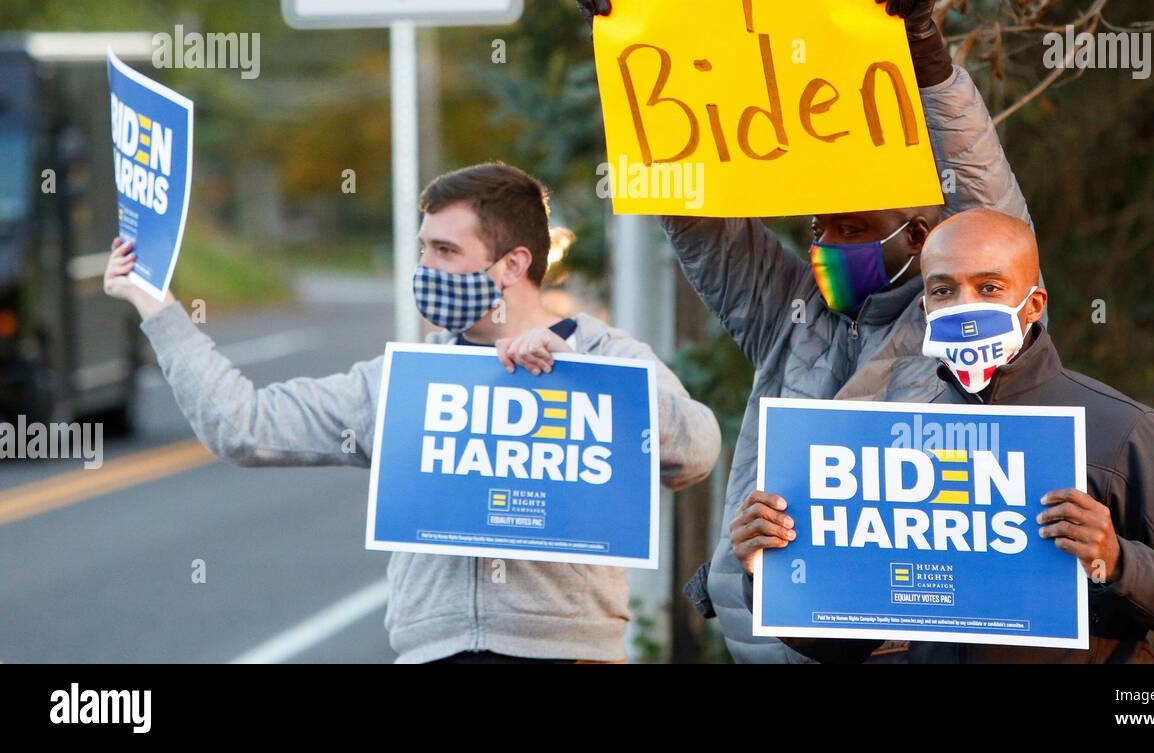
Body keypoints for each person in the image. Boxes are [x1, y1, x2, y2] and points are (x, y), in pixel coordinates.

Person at [575, 0, 1040, 662]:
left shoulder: (968, 328)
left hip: (903, 647)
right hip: (766, 644)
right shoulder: (791, 313)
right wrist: (635, 36)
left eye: (852, 228)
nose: (825, 242)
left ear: (921, 234)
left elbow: (990, 207)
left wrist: (930, 62)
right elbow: (695, 212)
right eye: (818, 225)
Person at [104, 161, 720, 664]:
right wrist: (158, 310)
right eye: (423, 248)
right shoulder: (407, 381)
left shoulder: (606, 355)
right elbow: (244, 427)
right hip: (433, 653)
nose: (425, 268)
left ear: (514, 263)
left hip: (572, 654)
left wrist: (583, 380)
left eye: (446, 250)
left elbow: (696, 450)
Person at [730, 208, 1154, 663]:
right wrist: (768, 570)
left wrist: (1119, 558)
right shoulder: (886, 437)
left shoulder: (1120, 429)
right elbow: (839, 643)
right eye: (944, 289)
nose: (963, 306)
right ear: (925, 307)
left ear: (1034, 303)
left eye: (989, 287)